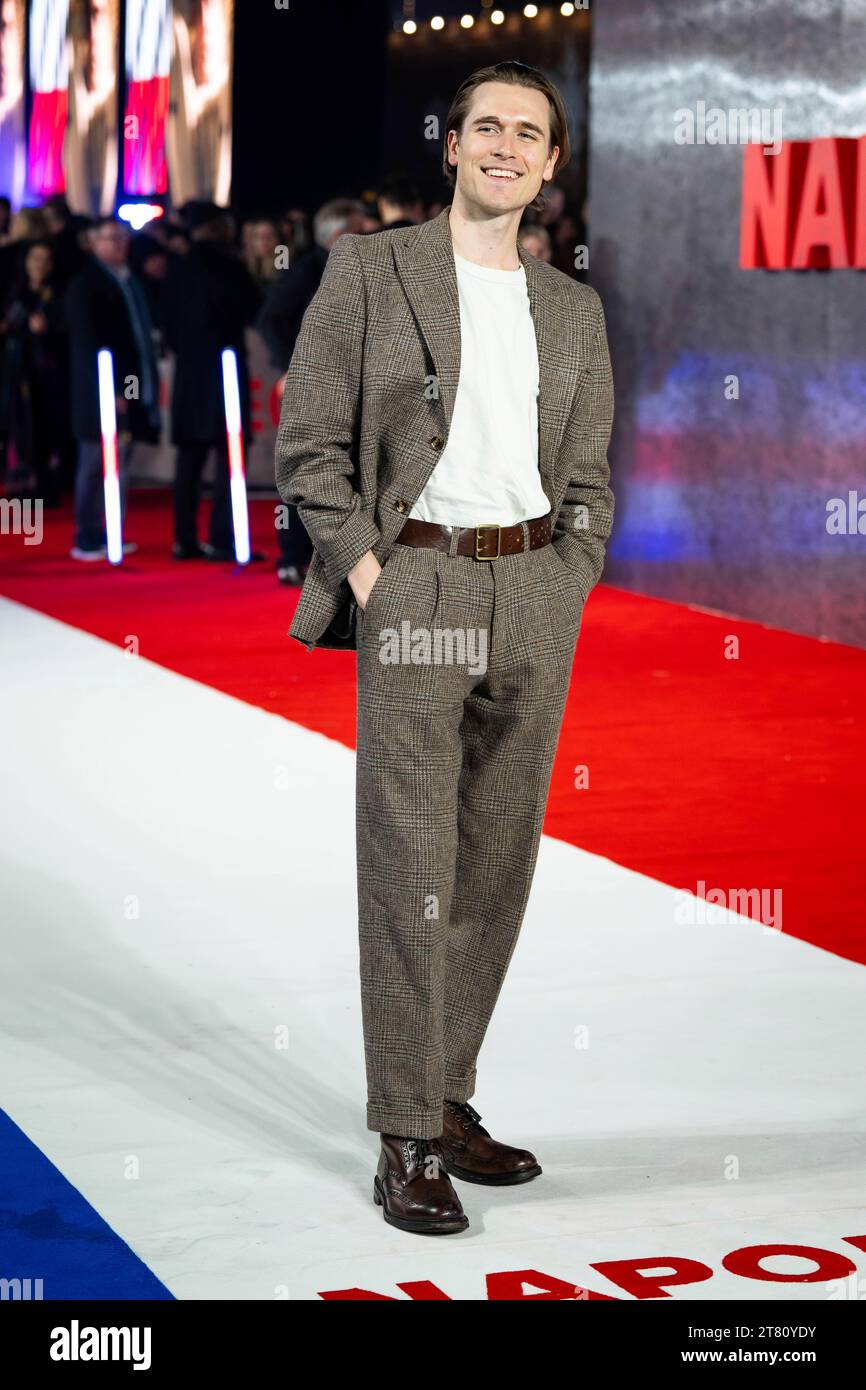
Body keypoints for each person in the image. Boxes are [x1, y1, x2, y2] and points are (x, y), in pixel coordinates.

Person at [275, 60, 614, 1236]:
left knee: (492, 867)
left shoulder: (571, 307)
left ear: (550, 162)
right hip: (414, 579)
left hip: (532, 588)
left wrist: (567, 579)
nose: (506, 146)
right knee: (411, 867)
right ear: (453, 145)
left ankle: (449, 1091)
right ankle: (405, 1132)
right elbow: (309, 445)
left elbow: (587, 479)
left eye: (530, 132)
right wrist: (370, 573)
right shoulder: (371, 269)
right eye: (487, 127)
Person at [258, 198, 365, 584]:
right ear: (338, 235)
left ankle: (335, 559)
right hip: (312, 387)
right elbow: (270, 320)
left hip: (352, 386)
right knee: (305, 469)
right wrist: (294, 367)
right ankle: (291, 556)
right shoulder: (306, 270)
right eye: (360, 229)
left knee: (343, 474)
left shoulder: (358, 269)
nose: (369, 235)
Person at [162, 200, 262, 560]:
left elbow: (166, 324)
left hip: (189, 375)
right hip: (226, 370)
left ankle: (183, 539)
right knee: (230, 456)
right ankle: (224, 538)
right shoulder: (230, 266)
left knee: (189, 459)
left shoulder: (177, 268)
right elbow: (254, 310)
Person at [65, 217, 160, 559]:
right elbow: (87, 347)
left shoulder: (130, 281)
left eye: (123, 238)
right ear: (94, 243)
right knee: (94, 463)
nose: (120, 245)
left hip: (127, 387)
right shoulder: (85, 286)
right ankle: (87, 535)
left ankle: (110, 532)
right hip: (100, 392)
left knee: (119, 461)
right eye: (111, 239)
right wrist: (111, 391)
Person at [0, 240, 67, 505]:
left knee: (45, 428)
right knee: (18, 429)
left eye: (45, 259)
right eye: (35, 258)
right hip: (15, 373)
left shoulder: (58, 295)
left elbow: (65, 337)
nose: (39, 265)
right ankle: (20, 481)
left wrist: (46, 333)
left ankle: (45, 481)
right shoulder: (13, 293)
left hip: (46, 374)